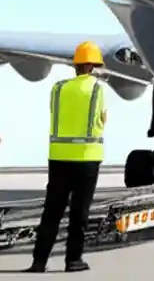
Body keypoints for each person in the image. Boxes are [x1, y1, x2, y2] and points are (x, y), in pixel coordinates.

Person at [27, 42, 109, 274]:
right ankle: (73, 260)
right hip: (87, 159)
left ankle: (38, 262)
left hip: (59, 157)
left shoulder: (58, 88)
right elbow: (102, 120)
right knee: (79, 213)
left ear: (76, 66)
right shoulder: (97, 89)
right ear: (93, 67)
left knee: (51, 212)